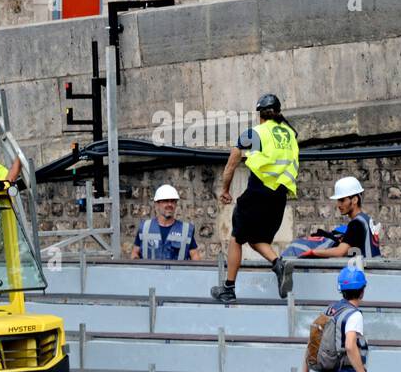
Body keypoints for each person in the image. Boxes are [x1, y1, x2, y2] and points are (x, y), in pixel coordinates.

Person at [211, 94, 299, 304]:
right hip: (280, 196)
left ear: (260, 114)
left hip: (258, 191)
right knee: (256, 238)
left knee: (236, 237)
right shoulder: (290, 134)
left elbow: (231, 164)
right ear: (278, 112)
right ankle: (278, 264)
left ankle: (228, 289)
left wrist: (225, 189)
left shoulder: (255, 133)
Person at [283, 176, 382, 260]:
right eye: (338, 200)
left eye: (342, 200)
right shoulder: (366, 219)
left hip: (368, 272)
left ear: (355, 200)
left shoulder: (356, 224)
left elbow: (340, 252)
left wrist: (313, 252)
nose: (339, 205)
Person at [130, 184, 202, 260]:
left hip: (177, 272)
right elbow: (135, 253)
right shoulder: (145, 228)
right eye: (165, 201)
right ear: (157, 204)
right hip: (150, 272)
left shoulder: (186, 230)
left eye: (173, 201)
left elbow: (195, 257)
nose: (170, 204)